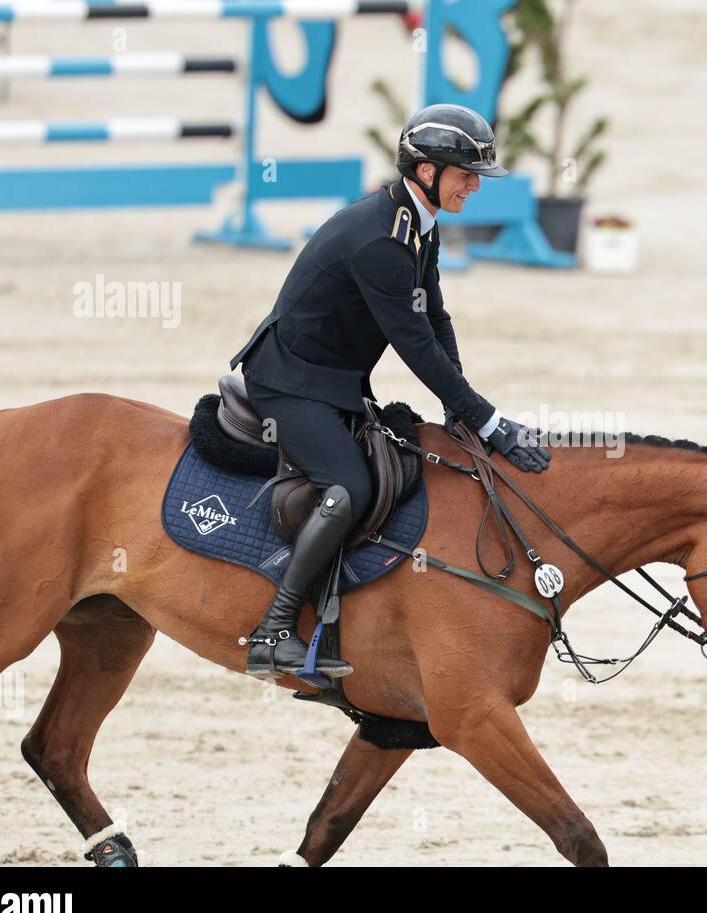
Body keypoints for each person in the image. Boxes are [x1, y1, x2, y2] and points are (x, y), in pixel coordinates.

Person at [228, 103, 551, 680]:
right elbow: (413, 345)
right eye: (465, 174)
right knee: (349, 486)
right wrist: (490, 422)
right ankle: (273, 630)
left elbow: (437, 320)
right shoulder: (380, 240)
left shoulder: (415, 224)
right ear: (426, 171)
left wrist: (460, 407)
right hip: (290, 383)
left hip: (335, 382)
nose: (474, 186)